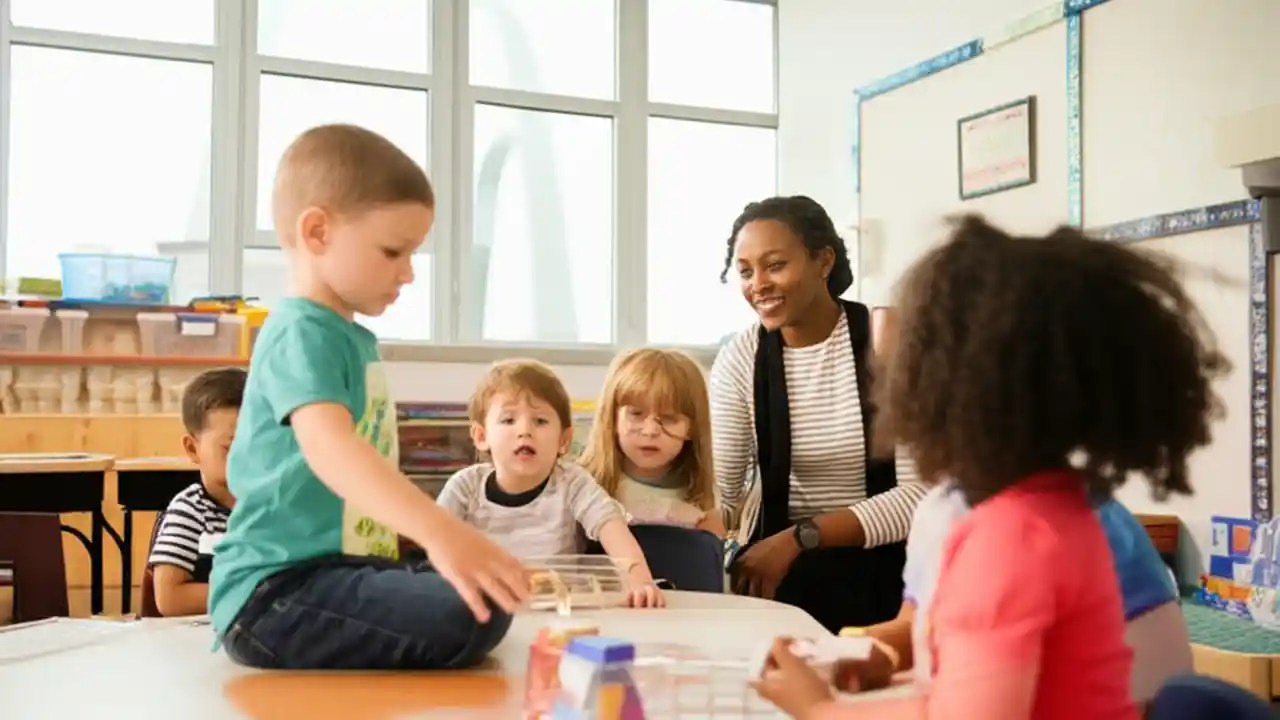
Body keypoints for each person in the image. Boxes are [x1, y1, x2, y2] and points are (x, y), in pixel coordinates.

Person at [753, 215, 1228, 719]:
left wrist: (820, 709)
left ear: (947, 386)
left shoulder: (1009, 539)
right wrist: (892, 663)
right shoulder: (1055, 507)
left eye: (902, 359)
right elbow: (979, 683)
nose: (882, 376)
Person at [209, 124, 528, 670]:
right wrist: (440, 531)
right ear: (317, 232)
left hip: (340, 570)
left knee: (483, 591)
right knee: (470, 611)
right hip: (276, 594)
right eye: (392, 251)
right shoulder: (299, 330)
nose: (406, 273)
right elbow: (331, 449)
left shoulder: (346, 335)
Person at [711, 195, 925, 631]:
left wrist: (802, 537)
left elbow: (920, 498)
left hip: (885, 572)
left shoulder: (887, 345)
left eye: (775, 265)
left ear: (823, 260)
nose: (758, 285)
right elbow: (724, 494)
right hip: (781, 573)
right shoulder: (740, 358)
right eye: (746, 271)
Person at [841, 483, 1192, 705]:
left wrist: (816, 708)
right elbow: (923, 625)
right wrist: (878, 653)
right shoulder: (1093, 507)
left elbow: (979, 705)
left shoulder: (1007, 529)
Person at [436, 359, 665, 608]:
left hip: (560, 608)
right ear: (481, 437)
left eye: (540, 421)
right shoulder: (465, 487)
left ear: (564, 440)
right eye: (508, 420)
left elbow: (611, 526)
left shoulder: (573, 483)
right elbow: (437, 543)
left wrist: (641, 582)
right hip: (484, 608)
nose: (524, 430)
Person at [579, 348, 725, 537]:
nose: (650, 431)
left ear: (693, 427)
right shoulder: (580, 485)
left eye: (669, 418)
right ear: (612, 419)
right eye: (636, 414)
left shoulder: (708, 500)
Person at [149, 367, 245, 617]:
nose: (249, 456)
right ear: (193, 449)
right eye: (231, 447)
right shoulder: (191, 510)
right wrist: (253, 593)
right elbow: (169, 598)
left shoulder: (276, 507)